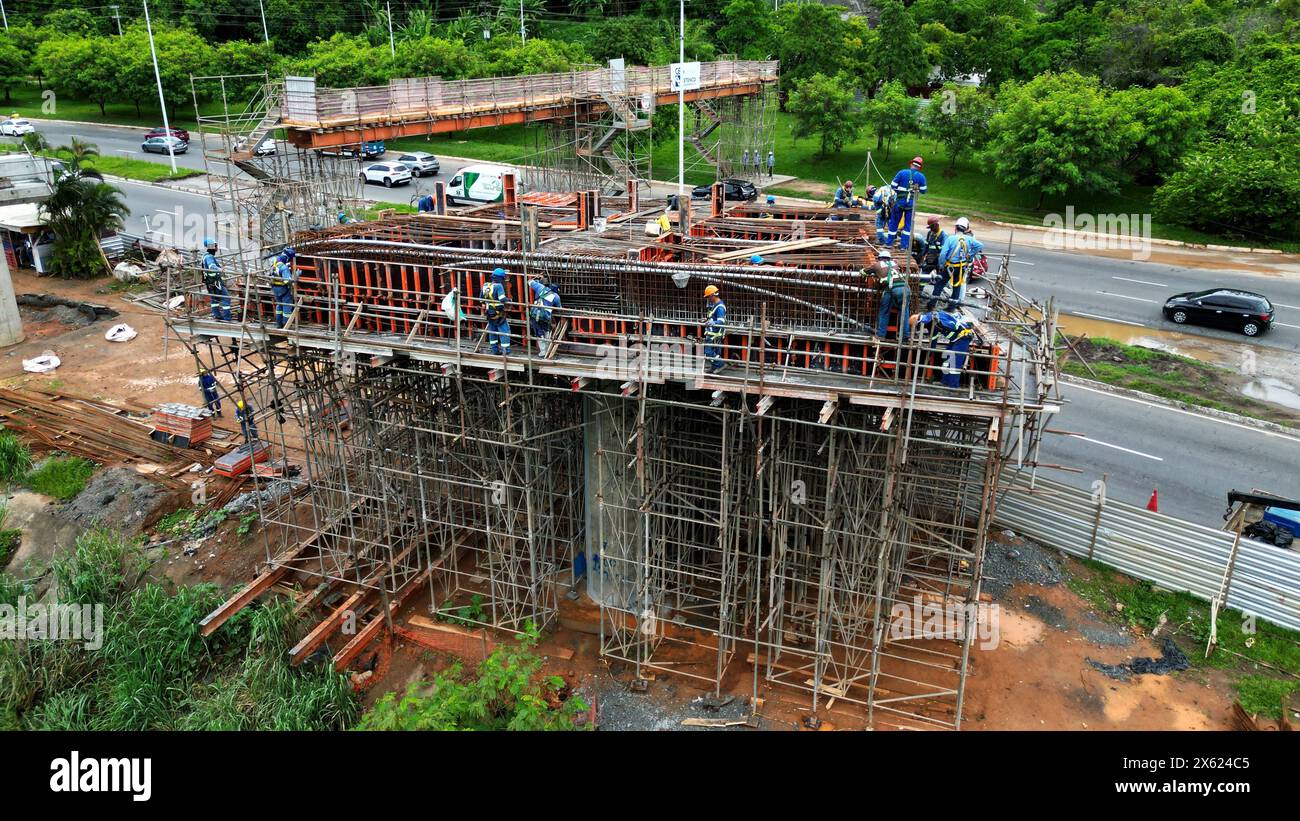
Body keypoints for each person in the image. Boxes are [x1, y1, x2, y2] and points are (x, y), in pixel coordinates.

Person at [909, 310, 974, 388]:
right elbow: (934, 338)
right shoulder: (931, 322)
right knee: (946, 357)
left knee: (955, 362)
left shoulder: (936, 319)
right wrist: (931, 352)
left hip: (963, 337)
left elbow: (953, 325)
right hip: (956, 339)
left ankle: (953, 386)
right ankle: (945, 381)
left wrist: (944, 325)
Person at [930, 217, 984, 309]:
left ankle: (932, 304)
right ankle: (952, 307)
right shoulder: (969, 239)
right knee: (957, 286)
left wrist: (941, 265)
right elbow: (980, 245)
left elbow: (943, 254)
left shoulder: (951, 239)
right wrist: (970, 255)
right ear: (965, 228)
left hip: (949, 266)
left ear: (956, 228)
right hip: (961, 267)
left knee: (939, 285)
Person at [886, 156, 927, 251]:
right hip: (911, 203)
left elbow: (893, 185)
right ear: (920, 167)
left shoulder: (902, 172)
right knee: (908, 225)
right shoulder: (921, 176)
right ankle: (904, 246)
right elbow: (924, 190)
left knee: (894, 222)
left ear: (911, 164)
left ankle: (889, 243)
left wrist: (901, 188)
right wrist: (916, 188)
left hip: (900, 201)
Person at [874, 250, 910, 341]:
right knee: (904, 312)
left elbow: (863, 272)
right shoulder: (894, 263)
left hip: (892, 289)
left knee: (884, 312)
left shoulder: (877, 264)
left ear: (879, 258)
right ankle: (905, 336)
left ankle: (881, 335)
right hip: (905, 288)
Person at [527, 275, 562, 356]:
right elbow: (560, 309)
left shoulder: (541, 288)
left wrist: (537, 278)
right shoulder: (556, 297)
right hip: (545, 316)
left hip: (534, 314)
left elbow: (529, 282)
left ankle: (543, 352)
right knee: (546, 332)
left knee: (539, 333)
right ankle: (547, 351)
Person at [481, 267, 511, 356]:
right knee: (504, 331)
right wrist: (509, 300)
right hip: (498, 314)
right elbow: (502, 299)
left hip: (489, 313)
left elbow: (481, 298)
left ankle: (495, 350)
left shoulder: (485, 285)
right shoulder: (499, 286)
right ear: (501, 278)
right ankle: (506, 350)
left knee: (492, 331)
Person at [201, 238, 231, 322]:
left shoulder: (205, 256)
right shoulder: (209, 257)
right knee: (226, 298)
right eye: (216, 245)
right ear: (212, 246)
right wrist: (220, 269)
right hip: (215, 282)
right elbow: (211, 267)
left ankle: (217, 315)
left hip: (210, 282)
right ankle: (227, 319)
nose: (217, 247)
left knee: (214, 299)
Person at [703, 284, 727, 374]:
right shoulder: (715, 305)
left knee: (708, 352)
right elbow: (714, 317)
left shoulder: (720, 307)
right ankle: (714, 367)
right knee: (715, 352)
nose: (708, 299)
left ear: (713, 295)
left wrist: (713, 323)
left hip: (715, 334)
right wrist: (707, 319)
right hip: (713, 332)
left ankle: (720, 364)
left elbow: (721, 321)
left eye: (708, 297)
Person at [270, 247, 296, 329]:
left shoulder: (275, 263)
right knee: (286, 308)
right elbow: (287, 281)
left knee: (279, 306)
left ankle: (279, 324)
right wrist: (296, 276)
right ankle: (286, 325)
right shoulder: (284, 268)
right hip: (283, 290)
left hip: (275, 289)